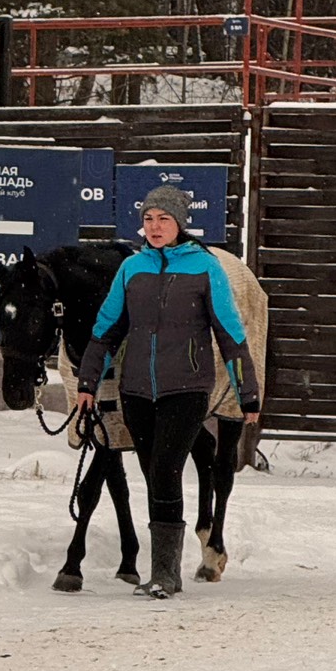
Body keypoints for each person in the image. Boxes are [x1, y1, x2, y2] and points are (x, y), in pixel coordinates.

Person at [75, 186, 261, 600]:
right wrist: (87, 383)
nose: (154, 227)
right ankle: (162, 569)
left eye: (163, 219)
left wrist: (247, 392)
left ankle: (164, 575)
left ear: (179, 223)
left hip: (187, 388)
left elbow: (231, 335)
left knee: (165, 470)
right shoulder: (132, 269)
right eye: (148, 219)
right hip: (138, 391)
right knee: (151, 473)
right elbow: (105, 331)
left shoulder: (204, 267)